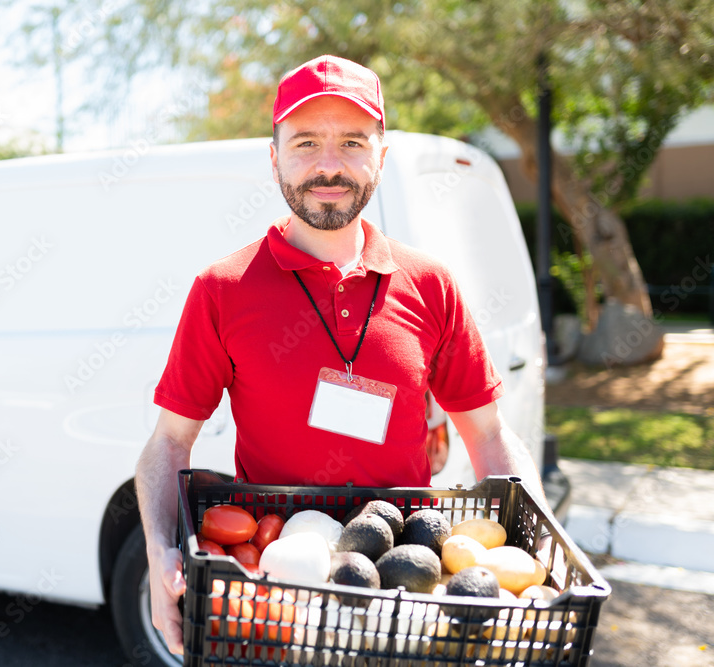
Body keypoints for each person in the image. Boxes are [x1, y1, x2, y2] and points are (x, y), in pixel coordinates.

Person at [134, 54, 547, 655]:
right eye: (305, 142)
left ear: (381, 154)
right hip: (274, 597)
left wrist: (535, 546)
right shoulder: (222, 290)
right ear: (274, 156)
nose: (328, 165)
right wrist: (159, 552)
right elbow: (169, 444)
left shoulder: (430, 284)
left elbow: (489, 435)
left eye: (352, 141)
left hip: (407, 593)